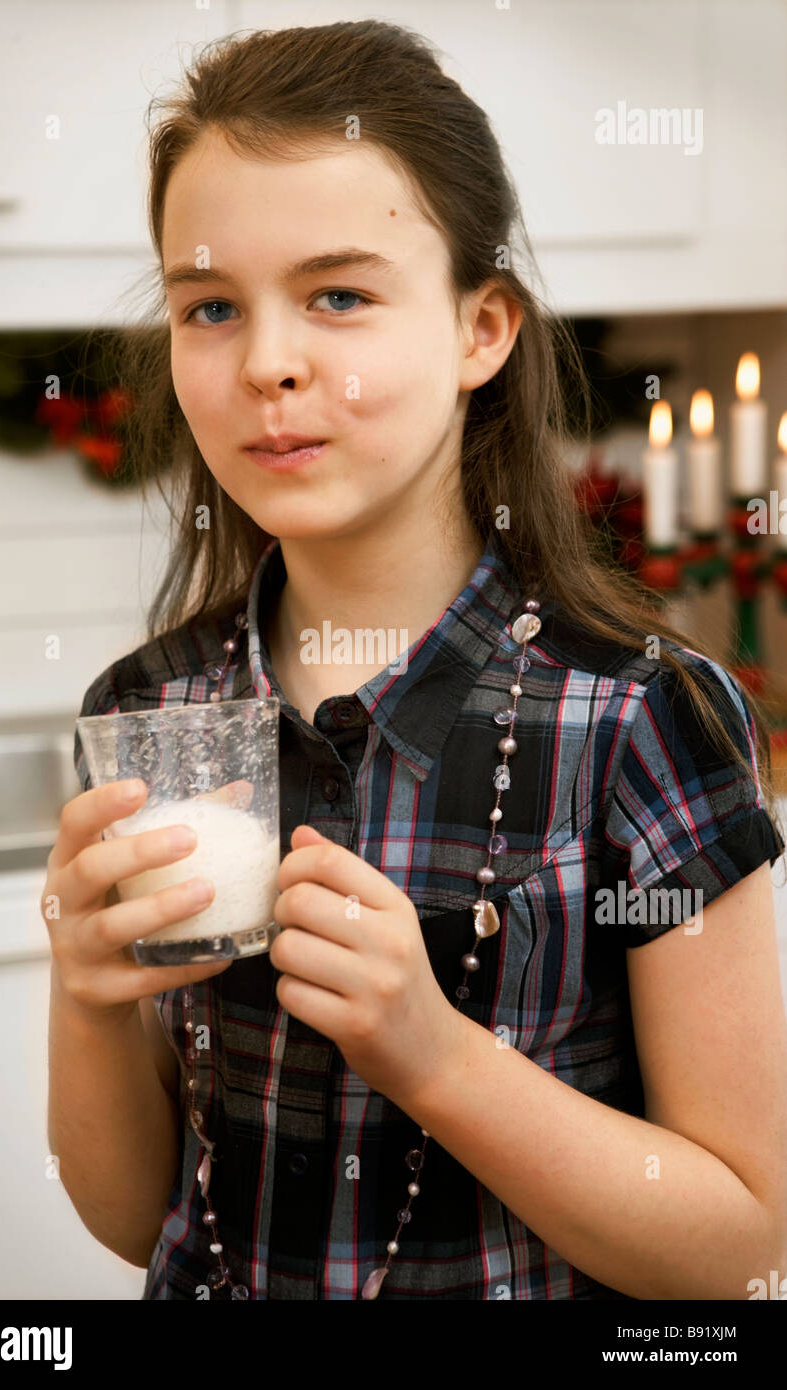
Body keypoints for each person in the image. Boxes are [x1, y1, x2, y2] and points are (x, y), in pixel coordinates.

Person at [45, 20, 787, 1300]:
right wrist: (87, 999)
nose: (269, 360)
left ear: (478, 329)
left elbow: (735, 1234)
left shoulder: (637, 717)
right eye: (210, 306)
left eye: (339, 294)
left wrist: (433, 1056)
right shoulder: (150, 711)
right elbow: (139, 1218)